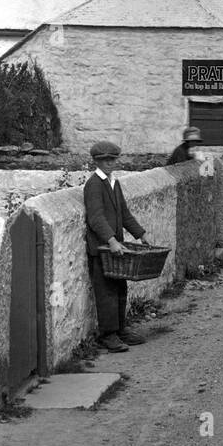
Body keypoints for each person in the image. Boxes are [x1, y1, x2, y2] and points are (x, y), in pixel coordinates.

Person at [83, 141, 148, 352]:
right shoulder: (93, 185)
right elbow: (95, 218)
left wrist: (141, 234)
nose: (109, 163)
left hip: (115, 247)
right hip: (102, 249)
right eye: (105, 160)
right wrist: (111, 240)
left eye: (112, 159)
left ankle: (121, 329)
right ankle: (108, 335)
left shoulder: (114, 183)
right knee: (106, 292)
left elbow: (125, 214)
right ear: (96, 161)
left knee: (120, 288)